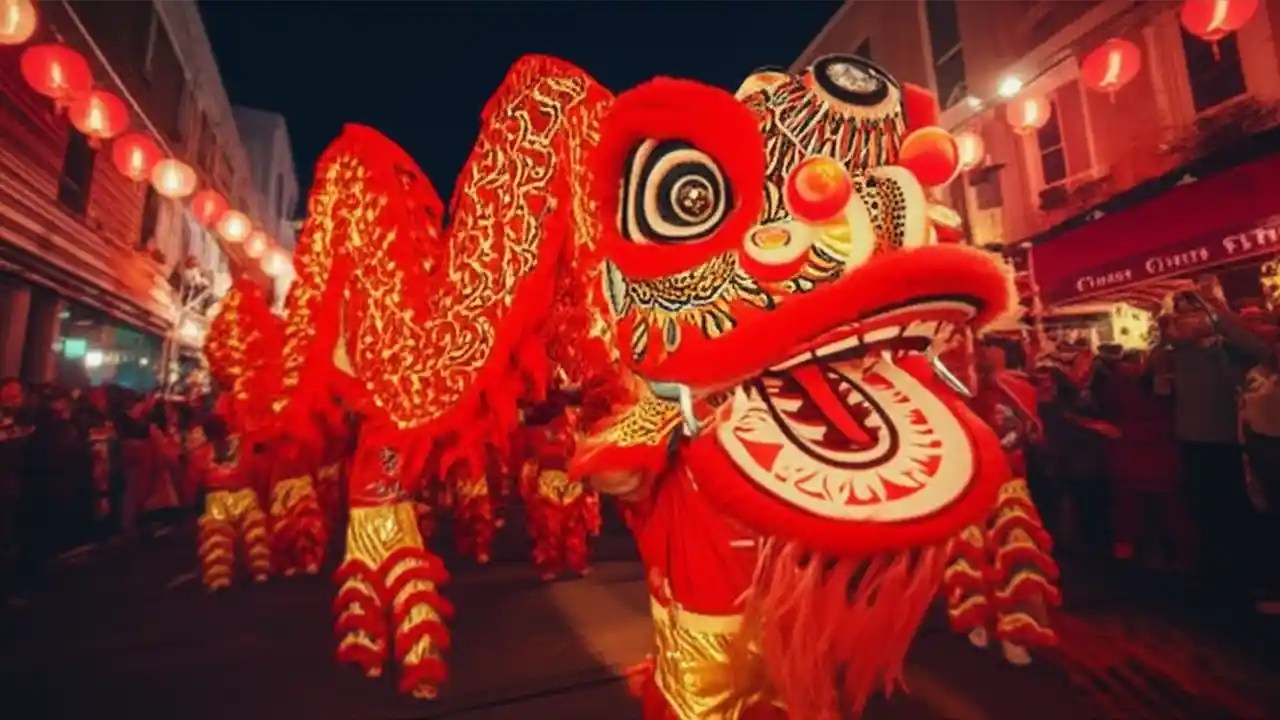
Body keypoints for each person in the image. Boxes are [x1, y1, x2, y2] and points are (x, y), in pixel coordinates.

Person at [944, 345, 1061, 666]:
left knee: (1017, 561)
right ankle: (976, 619)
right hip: (968, 485)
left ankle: (1015, 631)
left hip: (1009, 487)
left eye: (990, 356)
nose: (984, 361)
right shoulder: (953, 391)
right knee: (971, 558)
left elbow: (1032, 435)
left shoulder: (1018, 389)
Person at [1165, 285, 1270, 607]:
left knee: (1231, 510)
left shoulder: (1230, 349)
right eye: (1185, 315)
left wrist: (1219, 313)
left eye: (1194, 314)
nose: (1190, 320)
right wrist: (1172, 320)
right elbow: (1162, 347)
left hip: (1226, 440)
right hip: (1193, 440)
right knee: (1203, 510)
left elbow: (1260, 351)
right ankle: (1212, 577)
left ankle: (1236, 576)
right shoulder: (1179, 350)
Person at [1100, 350, 1193, 569]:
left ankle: (1130, 555)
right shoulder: (1176, 393)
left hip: (1139, 458)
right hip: (1159, 461)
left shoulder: (1128, 388)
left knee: (1135, 512)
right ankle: (1181, 557)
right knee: (1168, 513)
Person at [0, 378, 33, 603]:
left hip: (14, 489)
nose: (16, 399)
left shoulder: (23, 420)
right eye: (11, 395)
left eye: (18, 395)